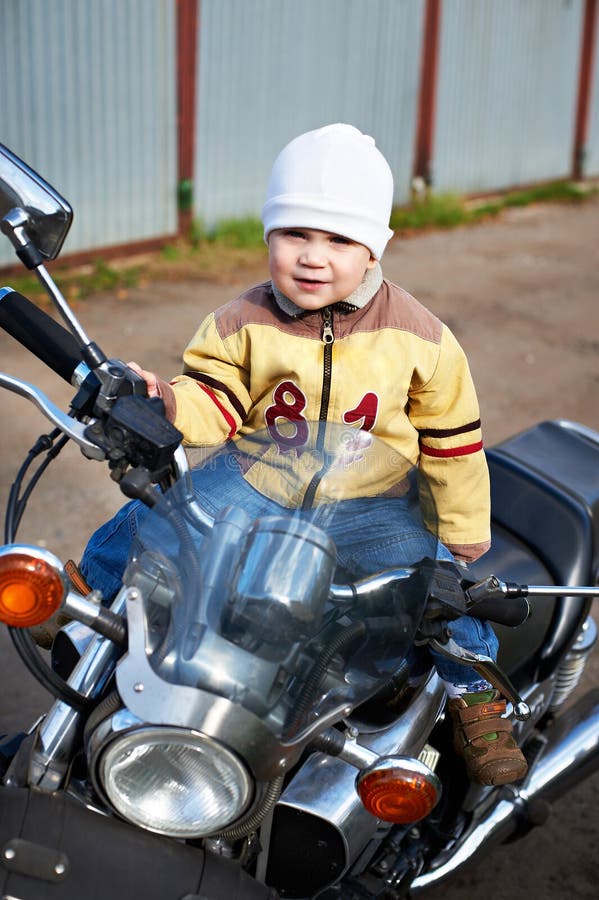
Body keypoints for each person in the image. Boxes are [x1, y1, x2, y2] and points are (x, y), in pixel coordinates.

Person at [80, 123, 527, 786]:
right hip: (261, 479)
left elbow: (452, 439)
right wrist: (170, 402)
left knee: (440, 589)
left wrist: (461, 528)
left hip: (373, 501)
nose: (313, 258)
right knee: (161, 519)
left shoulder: (422, 337)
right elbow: (216, 397)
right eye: (294, 235)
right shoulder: (240, 320)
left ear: (375, 250)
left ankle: (474, 695)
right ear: (267, 236)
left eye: (340, 240)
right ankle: (89, 608)